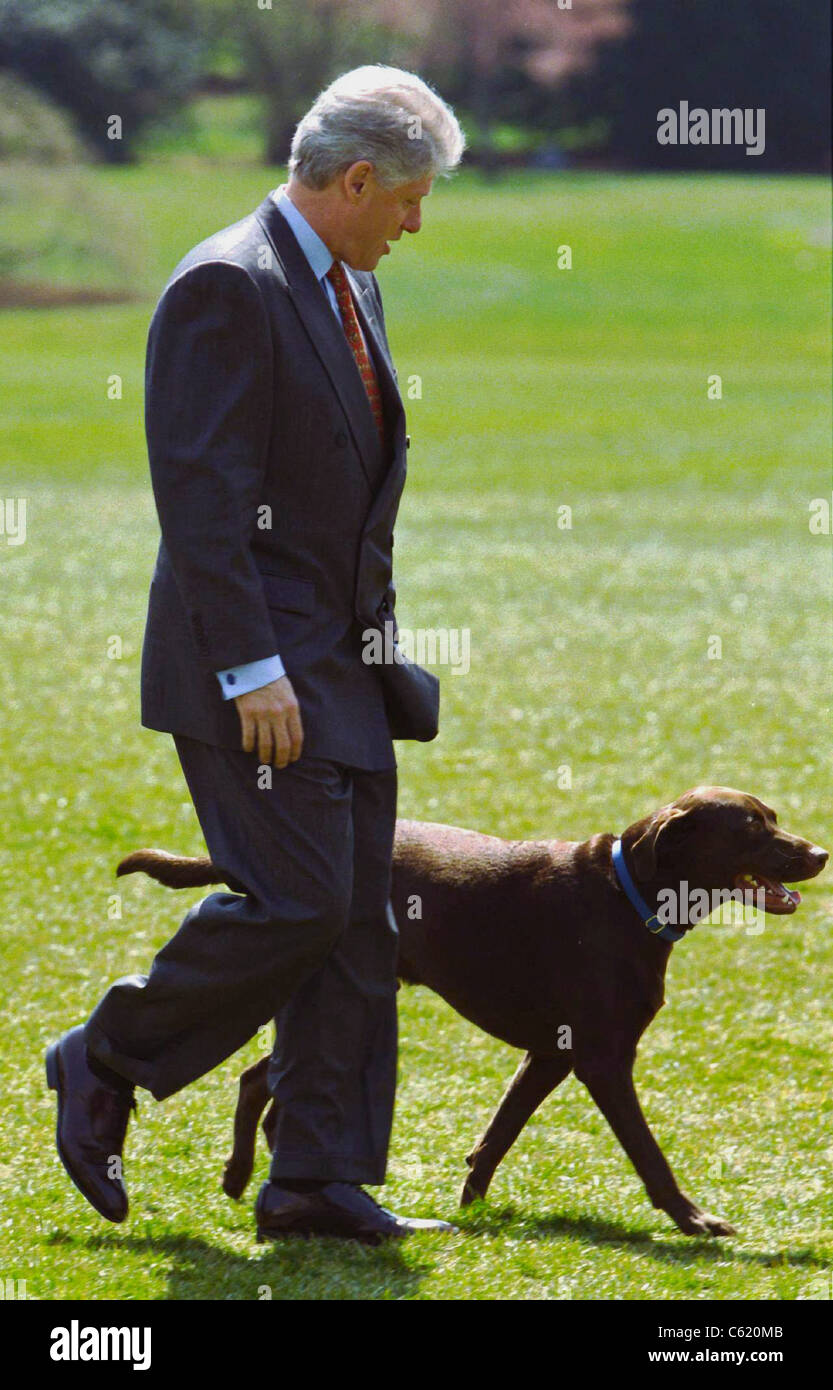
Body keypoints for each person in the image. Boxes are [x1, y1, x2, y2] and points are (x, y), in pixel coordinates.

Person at [46, 65, 465, 1243]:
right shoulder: (228, 284)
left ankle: (316, 1179)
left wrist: (381, 657)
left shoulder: (350, 285)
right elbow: (203, 497)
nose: (415, 224)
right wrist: (248, 669)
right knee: (294, 899)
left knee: (355, 921)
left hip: (344, 669)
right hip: (256, 673)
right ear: (354, 178)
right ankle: (104, 1054)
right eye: (408, 199)